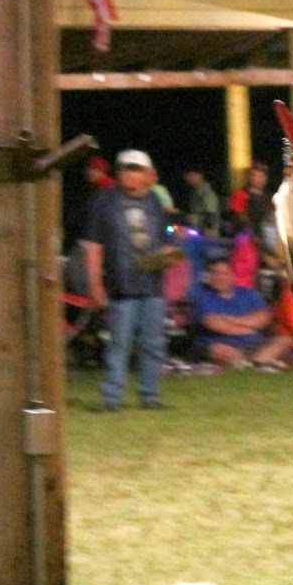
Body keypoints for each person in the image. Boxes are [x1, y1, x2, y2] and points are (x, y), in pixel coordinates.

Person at [82, 148, 174, 410]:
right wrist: (95, 283)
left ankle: (150, 395)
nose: (130, 174)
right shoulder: (104, 201)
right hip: (120, 285)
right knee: (119, 343)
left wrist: (168, 256)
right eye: (125, 169)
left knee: (153, 343)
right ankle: (111, 397)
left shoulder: (154, 201)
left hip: (152, 285)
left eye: (136, 170)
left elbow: (161, 241)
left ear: (147, 174)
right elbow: (93, 245)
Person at [187, 253, 281, 369]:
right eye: (215, 273)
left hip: (255, 343)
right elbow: (215, 324)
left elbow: (264, 318)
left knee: (284, 341)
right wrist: (250, 328)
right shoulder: (201, 297)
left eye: (225, 273)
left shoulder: (249, 294)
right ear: (209, 276)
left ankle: (256, 362)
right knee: (220, 350)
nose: (220, 277)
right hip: (220, 344)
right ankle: (256, 363)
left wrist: (231, 320)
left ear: (233, 276)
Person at [182, 169, 222, 237]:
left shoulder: (207, 192)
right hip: (197, 230)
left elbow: (211, 213)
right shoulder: (194, 193)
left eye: (192, 175)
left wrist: (208, 228)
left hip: (207, 231)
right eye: (187, 177)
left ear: (200, 175)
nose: (189, 179)